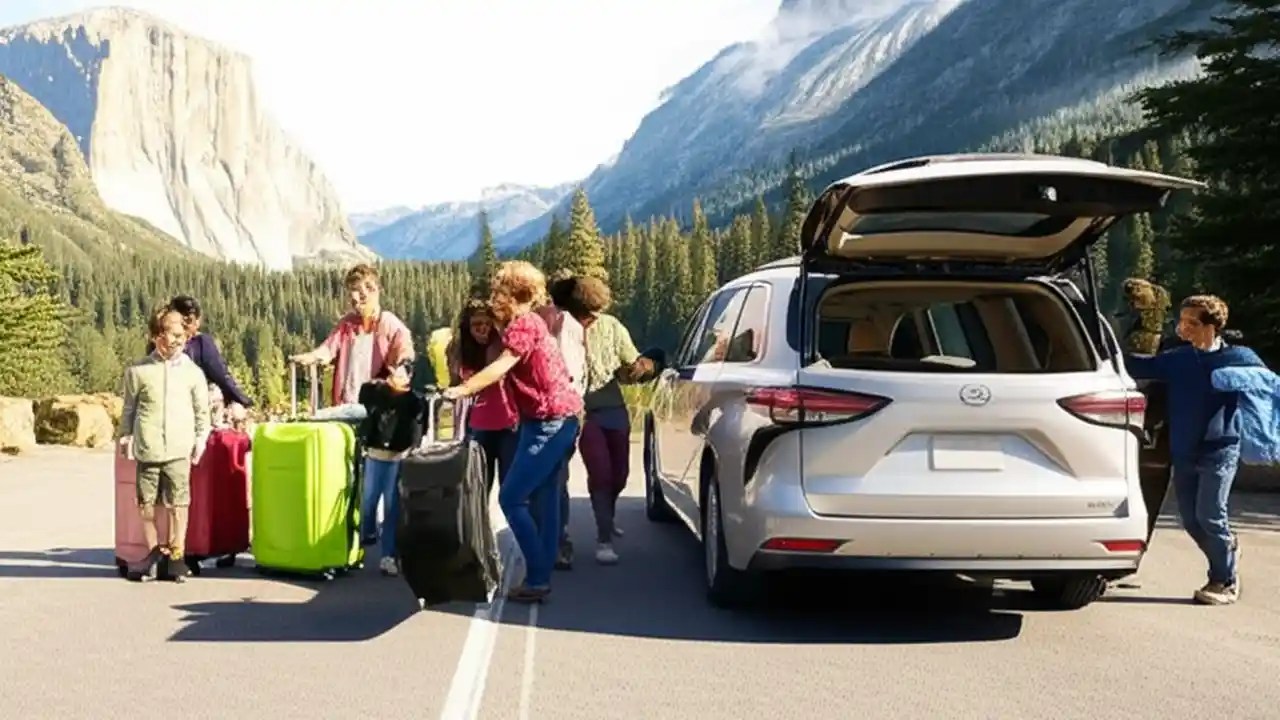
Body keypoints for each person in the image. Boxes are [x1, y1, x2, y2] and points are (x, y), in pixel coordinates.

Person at [444, 261, 583, 603]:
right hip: (559, 419)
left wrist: (463, 389)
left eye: (499, 291)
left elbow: (502, 366)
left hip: (548, 423)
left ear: (515, 294)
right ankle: (540, 574)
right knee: (546, 498)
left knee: (511, 498)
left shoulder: (523, 325)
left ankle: (536, 574)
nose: (494, 298)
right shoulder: (532, 322)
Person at [1124, 294, 1265, 606]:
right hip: (1183, 449)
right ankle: (1226, 549)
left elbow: (1268, 387)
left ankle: (1224, 580)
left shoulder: (1239, 358)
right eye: (1182, 320)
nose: (1183, 327)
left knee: (1210, 516)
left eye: (1192, 322)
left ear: (1212, 326)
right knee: (1191, 520)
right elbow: (1138, 366)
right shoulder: (1179, 359)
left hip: (1220, 449)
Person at [565, 276, 655, 564]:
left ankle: (607, 515)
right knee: (601, 474)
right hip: (584, 412)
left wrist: (641, 368)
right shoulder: (564, 328)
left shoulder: (612, 326)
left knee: (620, 475)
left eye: (595, 313)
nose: (591, 318)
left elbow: (631, 362)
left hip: (614, 408)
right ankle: (603, 539)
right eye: (587, 314)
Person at [118, 307, 212, 582]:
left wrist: (201, 439)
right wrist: (125, 436)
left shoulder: (193, 373)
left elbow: (202, 411)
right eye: (172, 333)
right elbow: (129, 409)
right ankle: (154, 553)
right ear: (156, 336)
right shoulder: (138, 372)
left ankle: (176, 555)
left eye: (182, 334)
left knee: (178, 503)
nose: (178, 339)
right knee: (146, 503)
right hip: (148, 447)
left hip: (179, 449)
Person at [290, 263, 414, 407]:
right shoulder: (347, 323)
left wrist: (402, 368)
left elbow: (405, 349)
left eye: (360, 295)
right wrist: (311, 357)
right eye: (352, 293)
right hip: (346, 404)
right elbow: (328, 349)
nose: (355, 301)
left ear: (374, 291)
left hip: (377, 406)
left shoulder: (388, 322)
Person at [535, 274, 587, 569]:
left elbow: (564, 371)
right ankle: (553, 541)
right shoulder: (573, 324)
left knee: (551, 479)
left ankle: (554, 542)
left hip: (554, 409)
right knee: (555, 478)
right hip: (567, 408)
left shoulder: (560, 323)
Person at [448, 298, 519, 492]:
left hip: (509, 422)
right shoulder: (459, 350)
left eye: (488, 323)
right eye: (477, 324)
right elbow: (455, 384)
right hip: (478, 424)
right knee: (478, 489)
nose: (483, 329)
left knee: (510, 488)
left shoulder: (504, 346)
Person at [357, 360, 419, 576]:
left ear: (409, 378)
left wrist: (413, 449)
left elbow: (418, 424)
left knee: (392, 507)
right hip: (374, 455)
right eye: (394, 373)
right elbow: (364, 394)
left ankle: (388, 555)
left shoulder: (413, 400)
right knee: (368, 501)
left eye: (401, 374)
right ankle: (368, 534)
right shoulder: (376, 392)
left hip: (397, 458)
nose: (396, 378)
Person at [146, 295, 254, 412]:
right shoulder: (201, 343)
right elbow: (220, 376)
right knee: (215, 393)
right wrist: (244, 401)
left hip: (162, 404)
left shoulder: (157, 341)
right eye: (190, 321)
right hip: (189, 405)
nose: (195, 325)